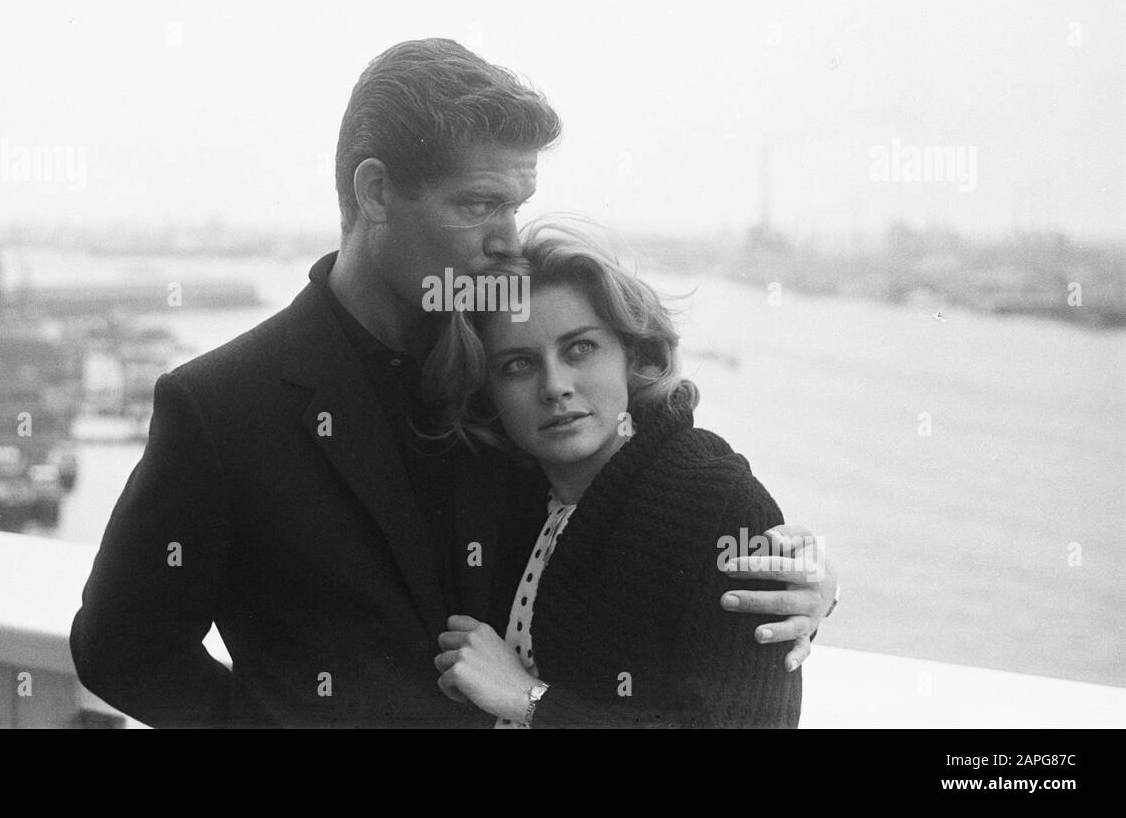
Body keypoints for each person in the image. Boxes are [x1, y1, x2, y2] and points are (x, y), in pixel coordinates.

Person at [69, 38, 837, 727]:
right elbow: (121, 647)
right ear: (374, 194)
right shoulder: (221, 406)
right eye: (479, 205)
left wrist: (792, 572)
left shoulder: (507, 363)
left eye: (516, 205)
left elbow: (656, 460)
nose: (508, 239)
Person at [426, 219, 803, 727]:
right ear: (487, 392)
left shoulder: (721, 504)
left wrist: (528, 698)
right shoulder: (507, 496)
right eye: (518, 365)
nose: (555, 386)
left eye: (580, 348)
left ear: (634, 354)